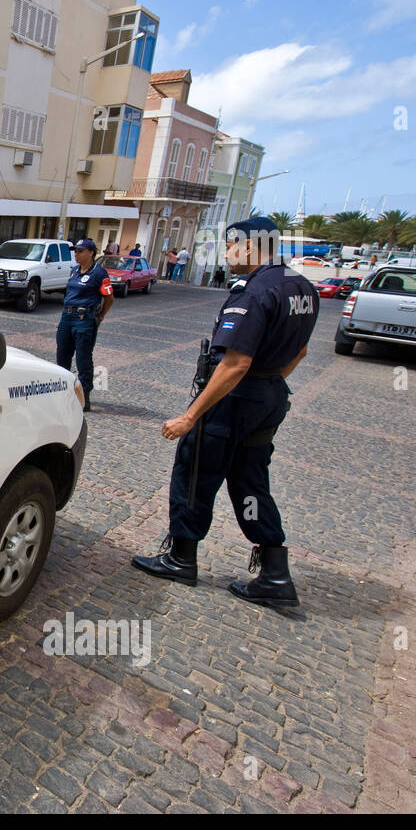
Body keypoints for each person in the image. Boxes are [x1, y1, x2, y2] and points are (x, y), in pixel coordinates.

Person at [131, 216, 319, 607]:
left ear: (250, 246)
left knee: (196, 470)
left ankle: (181, 558)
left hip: (233, 399)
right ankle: (274, 572)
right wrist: (268, 383)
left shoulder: (253, 292)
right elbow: (299, 352)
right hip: (269, 396)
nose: (227, 253)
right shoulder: (301, 287)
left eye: (231, 246)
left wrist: (190, 416)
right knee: (250, 481)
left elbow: (234, 364)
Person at [56, 238, 113, 412]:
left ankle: (85, 396)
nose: (76, 254)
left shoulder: (99, 273)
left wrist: (100, 316)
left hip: (85, 319)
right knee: (62, 356)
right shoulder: (74, 270)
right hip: (67, 316)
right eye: (76, 251)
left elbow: (109, 298)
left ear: (91, 253)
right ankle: (62, 391)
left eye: (80, 251)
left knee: (83, 359)